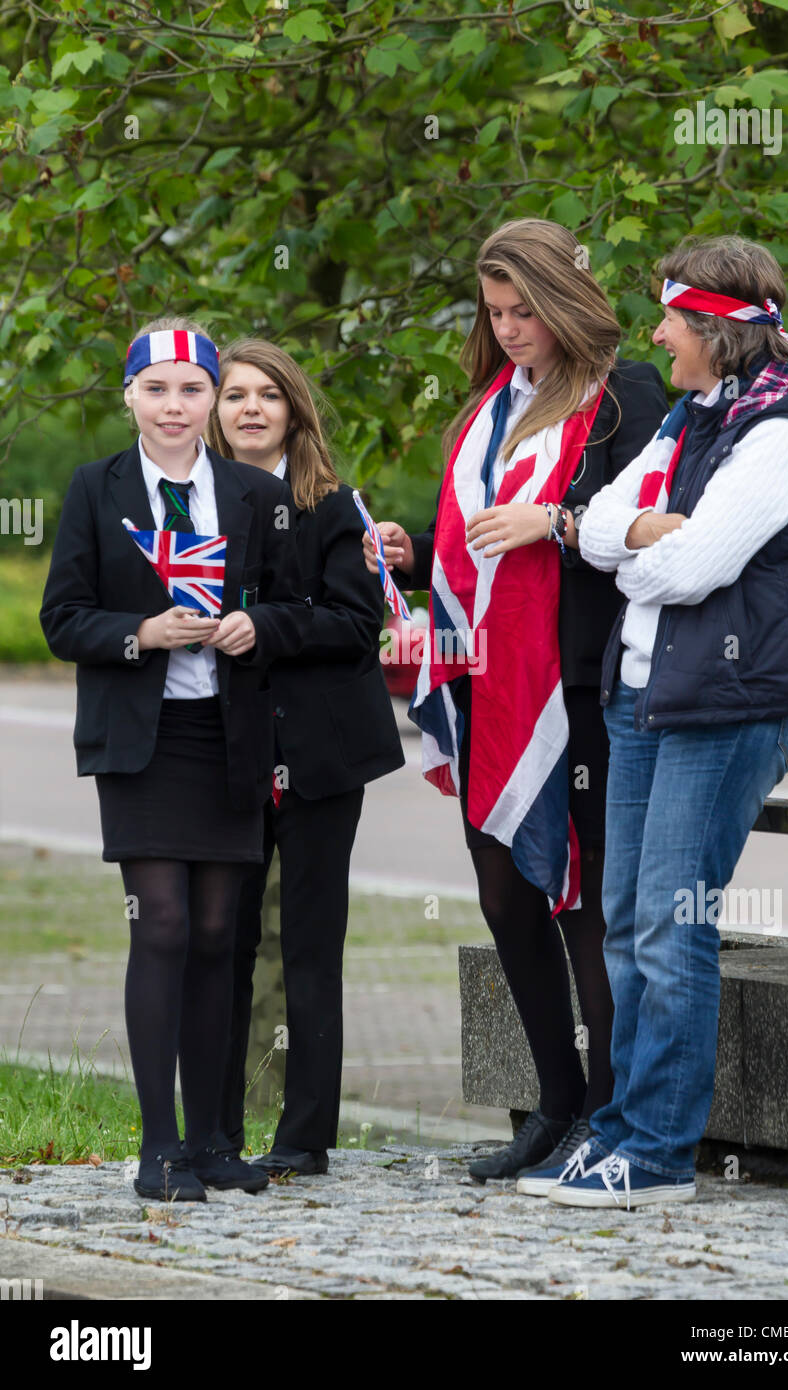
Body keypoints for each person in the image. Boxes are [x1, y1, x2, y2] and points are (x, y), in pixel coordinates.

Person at [541, 235, 788, 1209]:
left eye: (672, 319)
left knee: (673, 929)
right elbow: (589, 523)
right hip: (641, 695)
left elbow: (692, 567)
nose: (658, 333)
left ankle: (659, 1153)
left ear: (715, 329)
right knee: (626, 925)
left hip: (726, 705)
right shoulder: (688, 415)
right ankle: (621, 1131)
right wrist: (637, 534)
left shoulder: (782, 433)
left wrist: (638, 542)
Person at [363, 219, 668, 1183]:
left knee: (587, 900)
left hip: (580, 682)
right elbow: (478, 536)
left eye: (523, 310)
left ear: (565, 298)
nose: (508, 330)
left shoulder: (626, 393)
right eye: (494, 314)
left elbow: (650, 526)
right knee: (504, 891)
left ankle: (613, 1121)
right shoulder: (496, 400)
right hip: (489, 677)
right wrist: (415, 545)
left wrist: (558, 522)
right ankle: (556, 1099)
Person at [40, 317, 310, 1202]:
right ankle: (157, 1148)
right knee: (159, 924)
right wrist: (141, 632)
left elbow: (292, 611)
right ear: (130, 398)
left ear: (210, 399)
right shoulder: (94, 487)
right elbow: (64, 618)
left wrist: (254, 627)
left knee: (214, 933)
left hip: (227, 738)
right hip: (143, 741)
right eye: (155, 389)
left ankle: (209, 1144)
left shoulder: (250, 494)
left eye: (191, 388)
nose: (174, 405)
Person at [209, 339, 404, 1175]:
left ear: (294, 409)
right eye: (234, 395)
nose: (250, 408)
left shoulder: (334, 505)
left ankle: (303, 1139)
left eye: (267, 395)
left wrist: (268, 627)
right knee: (223, 941)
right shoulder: (192, 506)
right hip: (226, 754)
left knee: (311, 948)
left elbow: (358, 626)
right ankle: (214, 1134)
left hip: (323, 756)